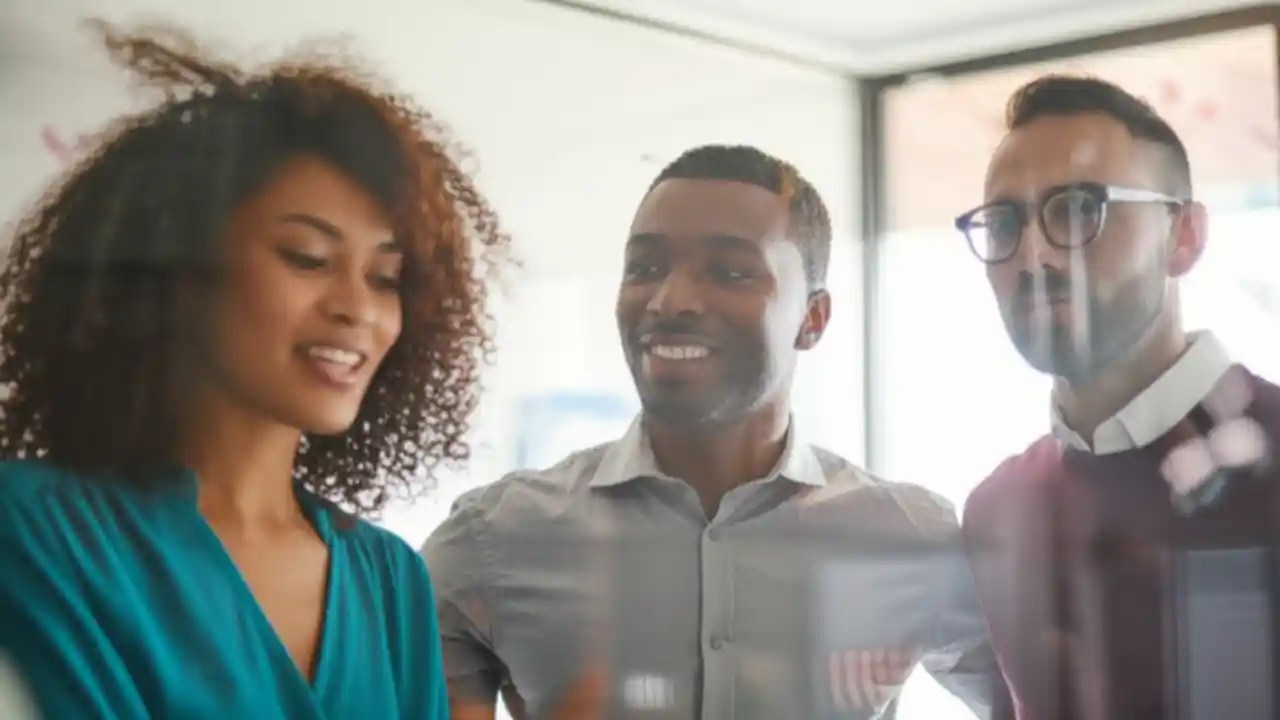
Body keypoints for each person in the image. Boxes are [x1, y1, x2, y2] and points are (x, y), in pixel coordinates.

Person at [0, 21, 507, 720]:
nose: (359, 309)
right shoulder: (35, 527)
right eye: (306, 257)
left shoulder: (389, 579)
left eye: (387, 277)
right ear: (179, 271)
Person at [425, 144, 998, 720]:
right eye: (644, 269)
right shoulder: (492, 538)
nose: (670, 300)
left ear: (812, 318)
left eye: (730, 272)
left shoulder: (911, 538)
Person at [956, 75, 1280, 719]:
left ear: (1182, 236)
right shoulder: (996, 511)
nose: (1034, 255)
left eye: (1079, 211)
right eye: (1003, 224)